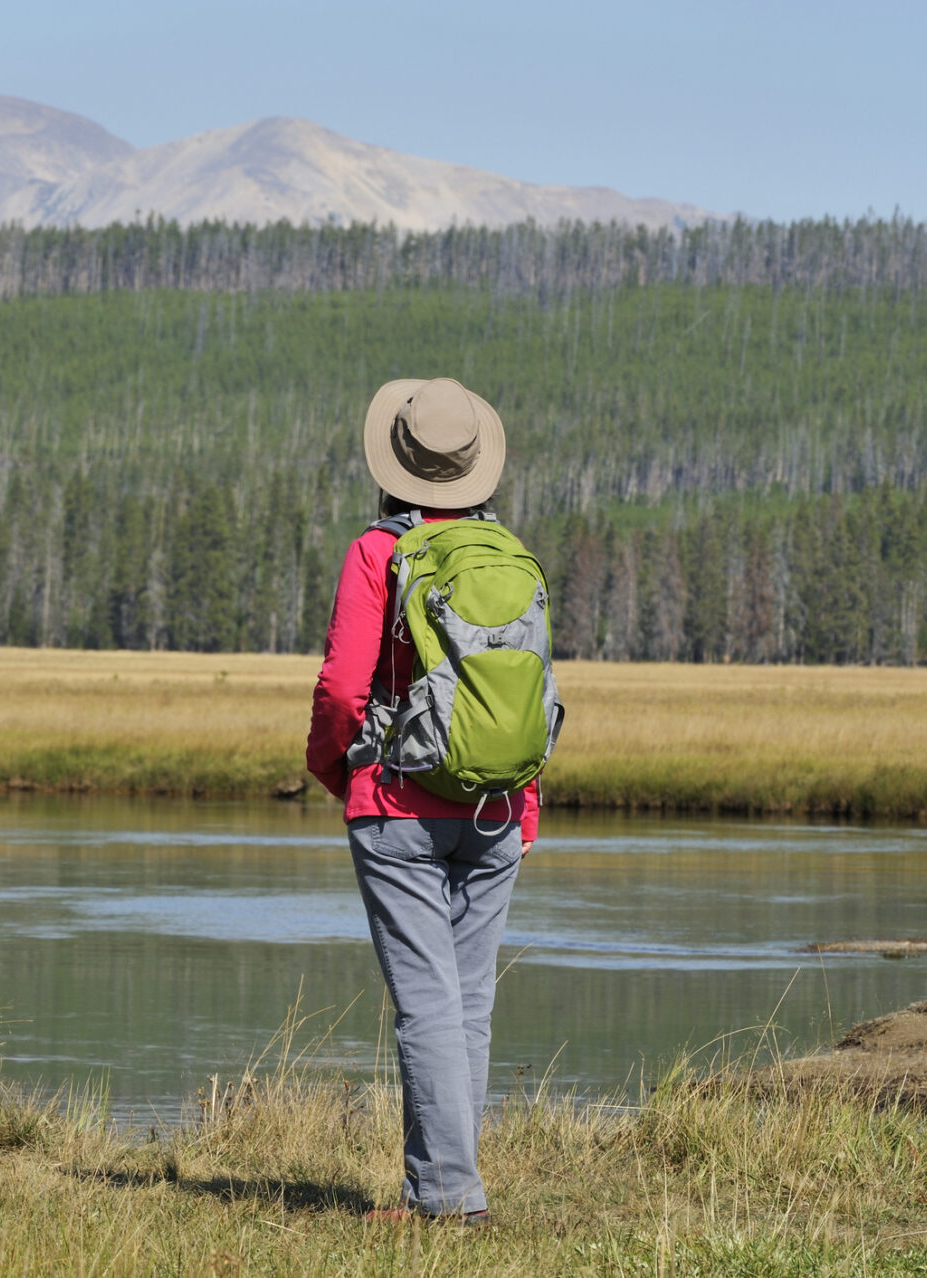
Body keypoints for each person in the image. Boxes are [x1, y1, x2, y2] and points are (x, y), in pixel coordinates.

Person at [306, 377, 540, 1226]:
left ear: (396, 464)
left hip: (398, 804)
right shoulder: (508, 553)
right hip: (500, 807)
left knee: (428, 1004)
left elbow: (341, 687)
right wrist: (527, 805)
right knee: (466, 1002)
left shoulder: (379, 551)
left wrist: (333, 768)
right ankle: (442, 1189)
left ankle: (445, 1198)